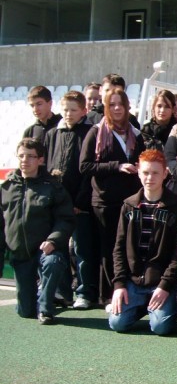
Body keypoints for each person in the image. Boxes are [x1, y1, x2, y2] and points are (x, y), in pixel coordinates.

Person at [109, 149, 177, 335]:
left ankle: (161, 308)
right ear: (138, 172)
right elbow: (118, 248)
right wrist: (119, 286)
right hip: (134, 281)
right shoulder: (129, 205)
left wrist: (165, 285)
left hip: (161, 282)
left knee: (160, 327)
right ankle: (140, 306)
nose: (150, 178)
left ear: (165, 174)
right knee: (117, 323)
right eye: (145, 172)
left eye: (155, 172)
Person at [80, 89, 144, 304]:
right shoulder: (96, 132)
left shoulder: (135, 133)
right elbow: (85, 166)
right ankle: (107, 295)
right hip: (105, 202)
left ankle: (128, 291)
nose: (117, 108)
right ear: (107, 107)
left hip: (131, 201)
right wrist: (117, 166)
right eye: (113, 104)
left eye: (121, 104)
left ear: (127, 107)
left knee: (129, 247)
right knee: (109, 249)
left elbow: (142, 161)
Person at [0, 138, 75, 324]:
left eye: (31, 156)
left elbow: (65, 220)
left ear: (41, 159)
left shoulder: (53, 187)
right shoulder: (6, 188)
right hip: (20, 255)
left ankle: (46, 308)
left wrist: (53, 240)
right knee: (25, 312)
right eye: (21, 156)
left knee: (54, 262)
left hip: (45, 251)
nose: (25, 160)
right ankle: (38, 298)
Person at [44, 91, 95, 310]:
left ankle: (84, 292)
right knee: (60, 248)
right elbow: (46, 167)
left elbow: (88, 172)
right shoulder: (52, 134)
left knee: (82, 250)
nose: (69, 114)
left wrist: (80, 203)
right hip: (58, 205)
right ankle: (61, 292)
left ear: (84, 111)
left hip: (80, 205)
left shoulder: (90, 133)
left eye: (74, 110)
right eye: (65, 109)